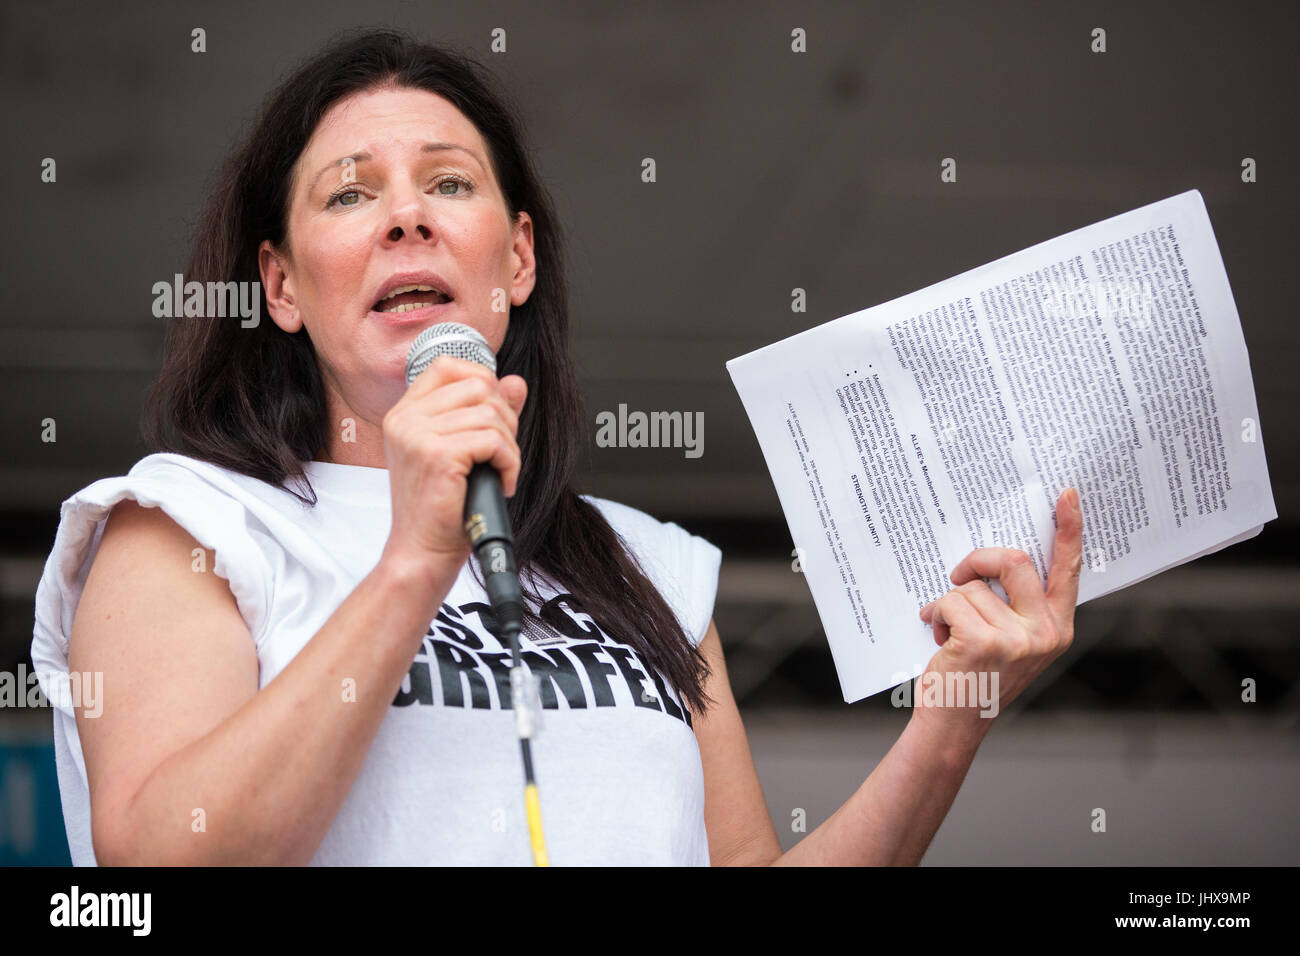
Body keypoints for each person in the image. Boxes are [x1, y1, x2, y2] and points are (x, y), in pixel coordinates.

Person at [31, 28, 1083, 866]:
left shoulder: (645, 566)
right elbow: (165, 859)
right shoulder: (187, 524)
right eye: (350, 193)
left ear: (518, 257)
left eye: (448, 183)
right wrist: (412, 563)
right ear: (280, 285)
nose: (406, 217)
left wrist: (952, 718)